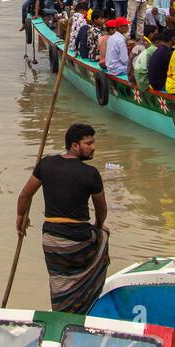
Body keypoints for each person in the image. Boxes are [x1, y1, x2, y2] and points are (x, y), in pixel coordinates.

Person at [15, 122, 110, 313]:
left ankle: (61, 306)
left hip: (50, 240)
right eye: (88, 143)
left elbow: (25, 195)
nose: (93, 147)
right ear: (75, 146)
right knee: (104, 239)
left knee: (59, 278)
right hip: (78, 240)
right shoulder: (91, 174)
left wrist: (20, 218)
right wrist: (99, 226)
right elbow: (101, 210)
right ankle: (85, 301)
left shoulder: (46, 163)